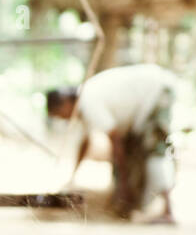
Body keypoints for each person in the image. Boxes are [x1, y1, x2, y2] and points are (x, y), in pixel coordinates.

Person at [46, 62, 177, 222]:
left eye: (59, 114)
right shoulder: (85, 104)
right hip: (143, 107)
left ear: (66, 103)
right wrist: (73, 177)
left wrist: (122, 186)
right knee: (131, 156)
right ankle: (131, 204)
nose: (63, 119)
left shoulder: (89, 102)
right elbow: (85, 143)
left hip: (157, 91)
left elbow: (115, 141)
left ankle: (168, 212)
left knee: (155, 150)